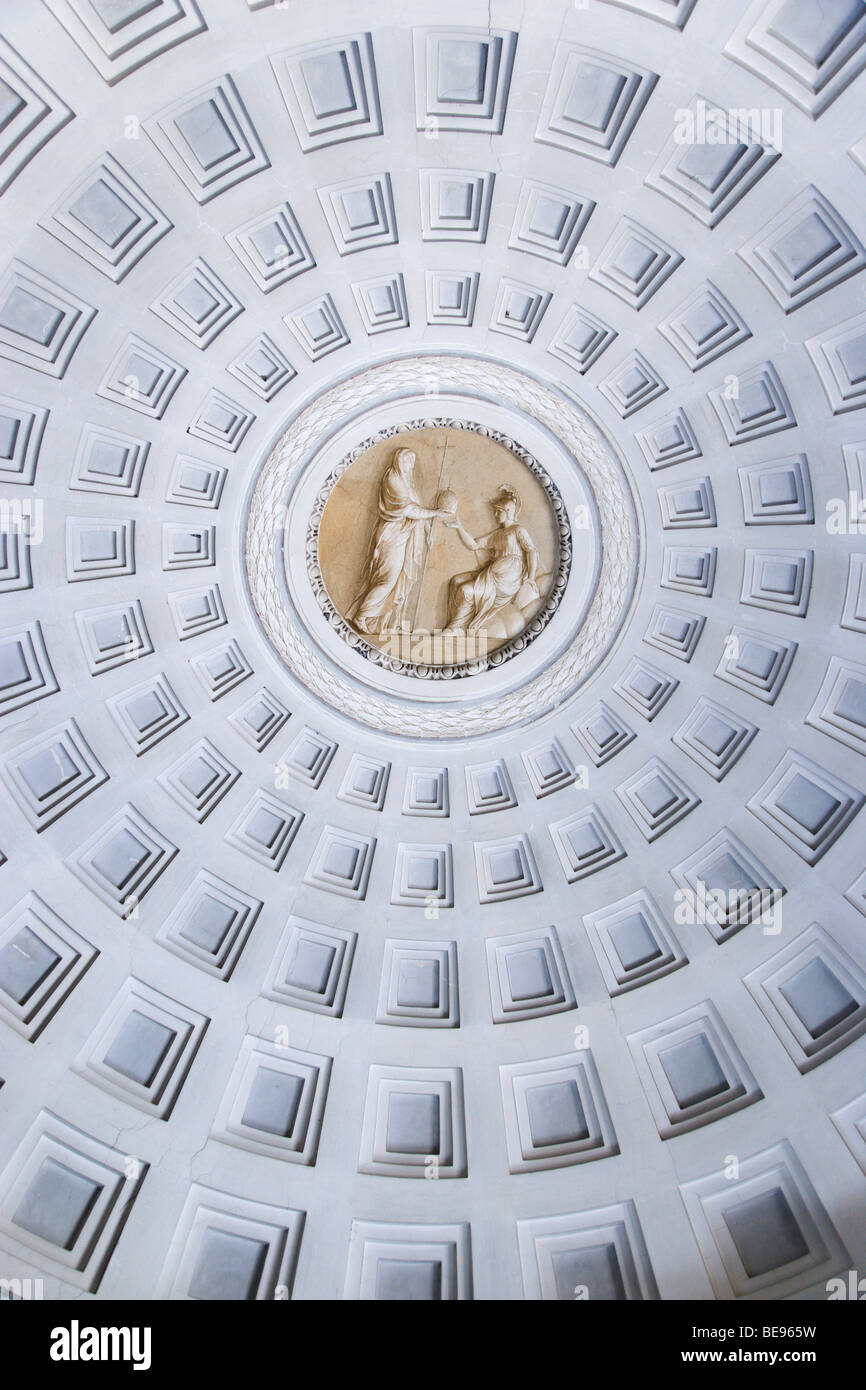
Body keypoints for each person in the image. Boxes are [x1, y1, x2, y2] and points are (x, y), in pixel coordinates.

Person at [347, 448, 451, 635]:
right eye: (406, 460)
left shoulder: (408, 483)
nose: (409, 465)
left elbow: (416, 509)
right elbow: (408, 510)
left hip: (405, 536)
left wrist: (427, 529)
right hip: (391, 535)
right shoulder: (393, 480)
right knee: (388, 578)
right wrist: (435, 513)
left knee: (400, 580)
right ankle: (362, 616)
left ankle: (389, 624)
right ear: (398, 461)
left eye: (412, 461)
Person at [444, 485, 540, 632]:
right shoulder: (497, 534)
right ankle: (457, 625)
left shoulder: (518, 530)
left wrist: (531, 577)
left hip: (507, 580)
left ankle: (455, 629)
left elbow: (531, 550)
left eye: (498, 511)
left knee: (465, 591)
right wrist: (459, 527)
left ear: (508, 511)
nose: (495, 514)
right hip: (492, 575)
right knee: (456, 581)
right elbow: (474, 545)